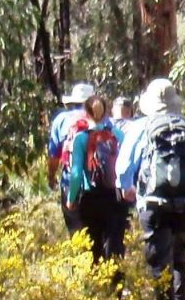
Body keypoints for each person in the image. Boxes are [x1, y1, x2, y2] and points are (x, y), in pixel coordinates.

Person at [116, 78, 185, 300]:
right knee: (179, 256)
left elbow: (124, 166)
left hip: (152, 203)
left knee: (158, 260)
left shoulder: (139, 127)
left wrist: (126, 189)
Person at [65, 93, 127, 263]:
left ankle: (95, 283)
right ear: (106, 113)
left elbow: (76, 172)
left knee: (92, 243)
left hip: (90, 197)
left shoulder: (81, 138)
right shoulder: (118, 135)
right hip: (114, 196)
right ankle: (115, 283)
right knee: (114, 242)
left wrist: (71, 198)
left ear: (86, 113)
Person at [48, 82, 94, 235]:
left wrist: (51, 177)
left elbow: (54, 156)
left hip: (71, 183)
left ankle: (80, 256)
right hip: (101, 185)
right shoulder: (103, 120)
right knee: (99, 235)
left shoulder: (61, 120)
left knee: (77, 233)